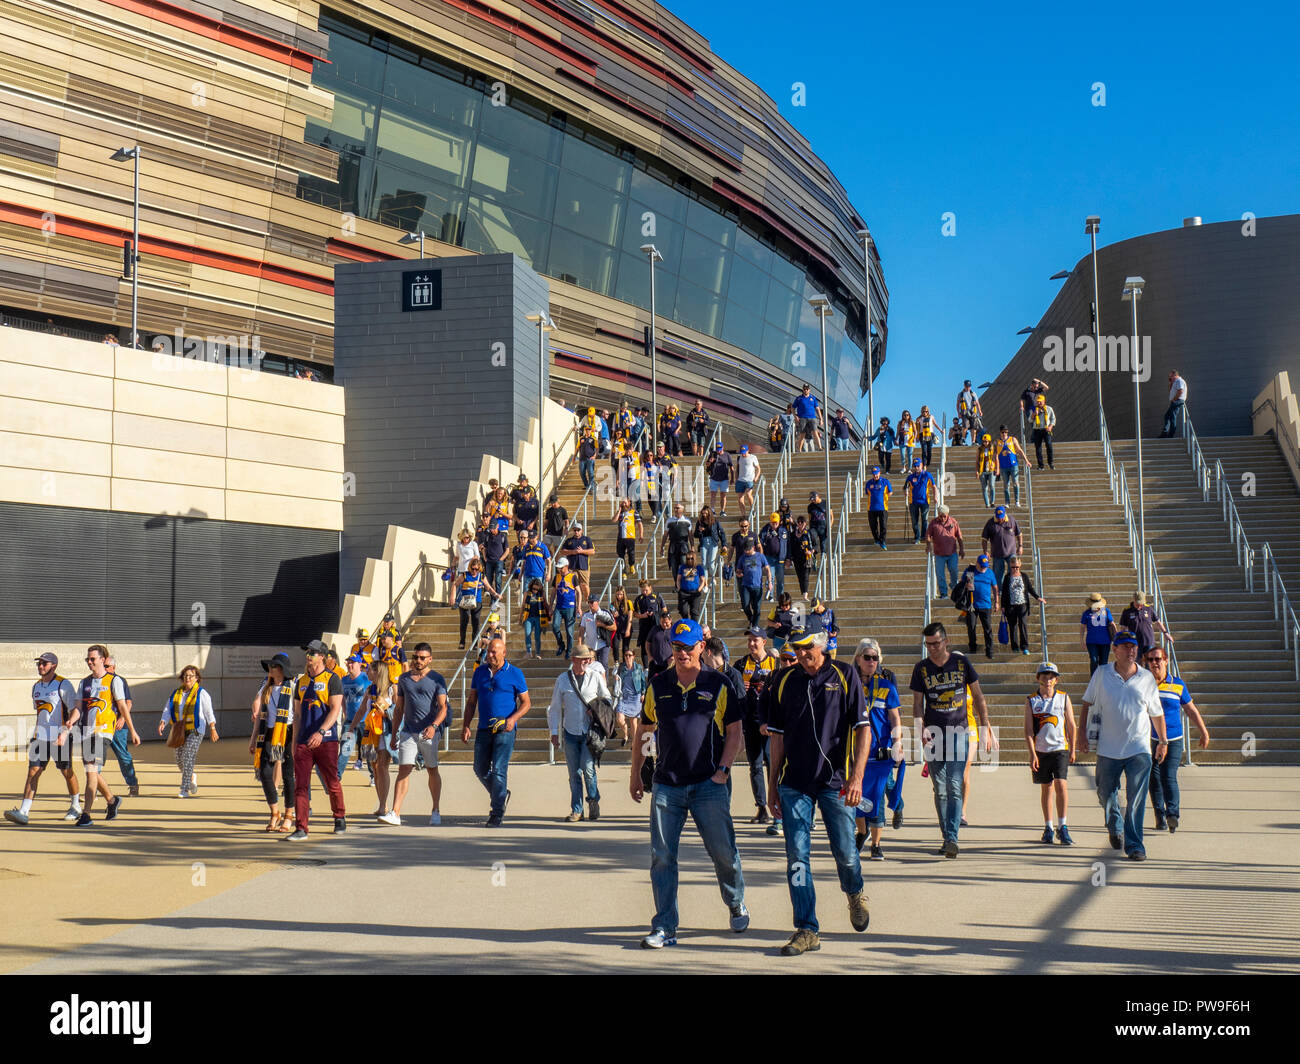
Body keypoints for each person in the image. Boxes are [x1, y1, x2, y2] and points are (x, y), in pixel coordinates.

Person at [630, 618, 748, 949]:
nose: (682, 654)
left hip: (708, 783)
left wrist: (723, 769)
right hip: (667, 785)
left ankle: (735, 900)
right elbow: (645, 730)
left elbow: (735, 730)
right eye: (676, 648)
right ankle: (665, 926)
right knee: (662, 857)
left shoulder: (719, 683)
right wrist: (637, 773)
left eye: (688, 647)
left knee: (722, 852)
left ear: (701, 647)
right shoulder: (658, 685)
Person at [764, 618, 871, 955]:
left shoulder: (844, 674)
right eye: (797, 648)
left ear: (822, 644)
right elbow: (777, 741)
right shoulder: (783, 681)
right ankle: (806, 928)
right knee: (797, 855)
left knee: (845, 852)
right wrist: (771, 787)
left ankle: (854, 892)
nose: (802, 653)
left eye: (808, 646)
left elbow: (863, 728)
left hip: (835, 782)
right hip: (794, 783)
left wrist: (857, 777)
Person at [1078, 630, 1167, 860]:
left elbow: (1156, 713)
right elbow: (1087, 704)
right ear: (1114, 650)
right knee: (1105, 792)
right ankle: (1115, 823)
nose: (1131, 650)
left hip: (1139, 748)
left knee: (1136, 797)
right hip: (1108, 748)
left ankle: (1135, 845)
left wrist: (1163, 741)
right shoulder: (1101, 673)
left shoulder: (1146, 678)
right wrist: (1081, 734)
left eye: (1134, 646)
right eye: (1125, 646)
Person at [910, 622, 996, 857]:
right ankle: (946, 834)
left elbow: (978, 696)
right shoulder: (921, 668)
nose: (933, 648)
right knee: (939, 788)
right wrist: (920, 728)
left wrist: (984, 725)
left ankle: (951, 838)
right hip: (934, 734)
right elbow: (918, 704)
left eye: (936, 643)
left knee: (955, 785)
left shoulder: (961, 663)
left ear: (946, 641)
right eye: (928, 645)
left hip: (959, 731)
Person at [461, 637, 530, 827]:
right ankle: (501, 794)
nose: (489, 654)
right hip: (484, 728)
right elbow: (471, 701)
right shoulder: (479, 672)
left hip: (505, 730)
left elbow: (526, 703)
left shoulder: (515, 673)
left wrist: (512, 719)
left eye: (494, 652)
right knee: (480, 768)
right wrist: (466, 725)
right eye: (488, 651)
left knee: (499, 770)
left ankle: (496, 812)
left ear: (504, 653)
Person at [5, 653, 80, 826]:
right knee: (33, 771)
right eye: (39, 663)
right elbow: (40, 712)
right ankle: (24, 811)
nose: (40, 666)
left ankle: (76, 806)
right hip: (40, 737)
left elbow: (74, 710)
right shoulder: (36, 687)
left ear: (54, 665)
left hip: (60, 737)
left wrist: (65, 733)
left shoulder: (63, 684)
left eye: (44, 664)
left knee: (66, 772)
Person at [1142, 647, 1210, 832]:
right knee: (1153, 779)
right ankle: (1160, 817)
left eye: (1158, 659)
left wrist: (1203, 732)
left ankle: (1172, 814)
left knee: (1168, 776)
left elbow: (1190, 710)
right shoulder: (1143, 684)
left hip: (1173, 739)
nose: (1154, 663)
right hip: (1149, 739)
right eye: (1150, 660)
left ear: (1165, 661)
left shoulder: (1177, 684)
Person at [284, 640, 346, 839]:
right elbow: (298, 715)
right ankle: (301, 828)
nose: (308, 656)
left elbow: (335, 709)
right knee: (300, 785)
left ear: (322, 656)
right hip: (303, 742)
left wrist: (320, 732)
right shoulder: (300, 682)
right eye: (307, 652)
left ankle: (339, 817)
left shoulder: (332, 679)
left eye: (312, 653)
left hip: (326, 740)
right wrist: (294, 743)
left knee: (332, 781)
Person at [382, 642, 448, 827]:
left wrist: (434, 726)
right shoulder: (404, 679)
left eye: (422, 658)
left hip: (429, 732)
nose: (418, 661)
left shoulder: (437, 679)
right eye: (415, 657)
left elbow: (443, 707)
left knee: (431, 768)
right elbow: (399, 708)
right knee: (404, 769)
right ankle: (395, 812)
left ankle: (435, 809)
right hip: (408, 732)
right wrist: (394, 733)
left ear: (430, 659)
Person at [851, 637, 902, 860]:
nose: (871, 661)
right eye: (867, 657)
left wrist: (897, 742)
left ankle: (877, 844)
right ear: (858, 659)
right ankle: (862, 831)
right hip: (856, 750)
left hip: (881, 750)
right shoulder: (850, 684)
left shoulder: (887, 685)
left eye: (875, 658)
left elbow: (895, 718)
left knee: (878, 797)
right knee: (858, 796)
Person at [548, 644, 611, 822]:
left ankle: (593, 799)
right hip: (570, 732)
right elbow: (554, 708)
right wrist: (554, 731)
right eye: (583, 659)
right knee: (574, 773)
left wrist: (597, 708)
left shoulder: (595, 677)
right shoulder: (562, 679)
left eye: (588, 659)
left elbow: (608, 698)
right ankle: (577, 810)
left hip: (589, 732)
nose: (587, 662)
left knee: (588, 769)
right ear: (574, 660)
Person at [67, 645, 126, 827]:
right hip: (87, 731)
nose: (90, 662)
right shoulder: (84, 683)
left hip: (104, 731)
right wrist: (71, 721)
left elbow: (124, 706)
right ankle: (111, 800)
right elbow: (79, 707)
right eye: (88, 659)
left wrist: (131, 728)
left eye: (93, 659)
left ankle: (86, 814)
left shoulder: (114, 681)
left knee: (91, 772)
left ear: (103, 659)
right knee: (91, 771)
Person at [1023, 661, 1076, 845]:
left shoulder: (1063, 697)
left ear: (1056, 680)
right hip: (1041, 750)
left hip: (1060, 748)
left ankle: (1063, 826)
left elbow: (1071, 724)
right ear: (1038, 679)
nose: (1048, 680)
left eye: (1051, 677)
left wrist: (1073, 747)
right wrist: (1032, 754)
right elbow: (1028, 730)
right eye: (1044, 676)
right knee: (1046, 788)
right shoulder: (1032, 700)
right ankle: (1048, 827)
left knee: (1061, 785)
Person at [735, 628, 779, 824]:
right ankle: (761, 807)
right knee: (754, 766)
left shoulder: (775, 662)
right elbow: (732, 689)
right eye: (750, 640)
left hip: (770, 722)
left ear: (764, 642)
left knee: (772, 763)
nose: (752, 644)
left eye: (755, 640)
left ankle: (775, 803)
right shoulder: (741, 664)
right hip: (750, 722)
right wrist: (739, 687)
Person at [251, 652, 297, 833]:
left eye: (274, 666)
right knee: (264, 772)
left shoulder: (292, 687)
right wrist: (253, 738)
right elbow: (260, 715)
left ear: (282, 670)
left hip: (288, 731)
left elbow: (298, 714)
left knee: (287, 774)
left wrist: (297, 738)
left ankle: (288, 815)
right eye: (269, 666)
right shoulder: (266, 687)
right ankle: (274, 812)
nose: (270, 669)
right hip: (269, 733)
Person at [157, 665, 218, 798]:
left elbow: (208, 712)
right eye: (185, 675)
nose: (188, 678)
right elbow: (168, 709)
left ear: (197, 678)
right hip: (179, 730)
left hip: (196, 729)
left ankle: (184, 789)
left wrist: (212, 728)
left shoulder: (201, 693)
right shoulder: (176, 693)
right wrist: (163, 722)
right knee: (179, 760)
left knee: (188, 757)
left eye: (191, 675)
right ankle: (191, 776)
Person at [102, 654, 142, 798]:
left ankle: (133, 785)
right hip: (101, 727)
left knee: (123, 756)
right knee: (96, 760)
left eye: (106, 666)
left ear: (113, 667)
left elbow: (128, 702)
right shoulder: (96, 681)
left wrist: (122, 719)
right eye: (103, 665)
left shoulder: (119, 680)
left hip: (118, 728)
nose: (104, 668)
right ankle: (93, 788)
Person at [1001, 556, 1046, 655]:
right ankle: (1015, 647)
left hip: (1023, 604)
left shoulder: (1024, 576)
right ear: (1010, 566)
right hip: (1010, 605)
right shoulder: (1007, 577)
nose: (1015, 569)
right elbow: (1004, 592)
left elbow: (1030, 588)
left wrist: (1038, 597)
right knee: (1013, 626)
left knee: (1023, 624)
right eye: (1013, 567)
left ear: (1020, 565)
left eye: (1017, 567)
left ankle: (1025, 646)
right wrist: (1003, 606)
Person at [959, 554, 999, 659]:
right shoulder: (970, 572)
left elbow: (995, 587)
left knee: (988, 629)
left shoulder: (990, 572)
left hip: (986, 605)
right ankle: (972, 647)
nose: (983, 568)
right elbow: (961, 584)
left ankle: (989, 650)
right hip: (972, 605)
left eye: (985, 566)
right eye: (981, 566)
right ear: (977, 563)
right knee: (971, 627)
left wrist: (997, 602)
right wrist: (967, 585)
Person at [455, 557, 499, 650]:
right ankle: (462, 642)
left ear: (479, 568)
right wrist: (452, 597)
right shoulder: (464, 575)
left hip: (477, 601)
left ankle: (475, 644)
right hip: (465, 600)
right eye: (473, 568)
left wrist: (495, 594)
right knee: (464, 620)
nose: (474, 571)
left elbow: (488, 587)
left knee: (476, 621)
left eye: (476, 569)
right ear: (470, 567)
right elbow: (455, 584)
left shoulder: (481, 576)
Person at [925, 504, 964, 600]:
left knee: (954, 570)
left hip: (952, 553)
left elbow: (959, 536)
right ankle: (944, 593)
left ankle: (954, 587)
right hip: (939, 554)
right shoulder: (933, 523)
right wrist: (928, 546)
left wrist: (962, 549)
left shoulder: (953, 522)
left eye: (944, 516)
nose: (942, 518)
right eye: (940, 516)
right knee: (940, 574)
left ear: (948, 514)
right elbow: (928, 535)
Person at [1120, 590, 1174, 659]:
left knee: (1150, 664)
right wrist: (1124, 640)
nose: (1140, 606)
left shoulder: (1148, 609)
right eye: (1138, 604)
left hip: (1148, 641)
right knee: (1137, 665)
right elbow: (1123, 627)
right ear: (1134, 600)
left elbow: (1158, 622)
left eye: (1141, 604)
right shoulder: (1127, 611)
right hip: (1135, 642)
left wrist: (1165, 633)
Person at [981, 505, 1023, 587]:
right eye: (998, 517)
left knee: (1013, 572)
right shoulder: (990, 523)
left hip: (1011, 552)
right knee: (998, 575)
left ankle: (1011, 590)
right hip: (997, 553)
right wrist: (985, 551)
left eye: (1002, 517)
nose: (1000, 519)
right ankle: (999, 593)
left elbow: (1019, 534)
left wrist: (1020, 546)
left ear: (1005, 514)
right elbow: (984, 539)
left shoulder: (1012, 520)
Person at [615, 646, 647, 745]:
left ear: (634, 656)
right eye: (626, 655)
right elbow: (617, 680)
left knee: (634, 722)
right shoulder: (621, 667)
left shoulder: (638, 668)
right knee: (619, 719)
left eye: (630, 655)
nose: (628, 657)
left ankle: (634, 743)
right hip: (624, 696)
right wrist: (616, 677)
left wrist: (643, 693)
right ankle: (625, 734)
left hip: (635, 696)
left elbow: (643, 682)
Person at [1080, 592, 1118, 674]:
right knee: (1094, 660)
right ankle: (1094, 679)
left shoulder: (1106, 611)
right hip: (1091, 641)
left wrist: (1116, 638)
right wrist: (1081, 640)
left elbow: (1112, 624)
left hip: (1105, 641)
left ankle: (1102, 681)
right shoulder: (1086, 613)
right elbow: (1082, 627)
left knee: (1103, 663)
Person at [736, 542, 772, 626]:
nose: (747, 552)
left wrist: (769, 581)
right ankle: (751, 618)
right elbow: (738, 570)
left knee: (757, 608)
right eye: (745, 550)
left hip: (757, 585)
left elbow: (767, 569)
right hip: (746, 585)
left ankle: (755, 626)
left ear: (753, 548)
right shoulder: (743, 557)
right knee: (745, 605)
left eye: (748, 549)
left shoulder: (760, 556)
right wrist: (739, 574)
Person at [551, 557, 580, 658]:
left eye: (561, 567)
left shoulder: (573, 577)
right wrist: (551, 606)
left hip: (570, 607)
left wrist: (579, 607)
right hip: (559, 606)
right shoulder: (557, 577)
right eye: (559, 568)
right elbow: (553, 593)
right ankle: (561, 645)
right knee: (555, 626)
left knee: (569, 631)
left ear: (566, 566)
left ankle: (569, 649)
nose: (560, 569)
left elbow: (579, 592)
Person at [634, 578, 666, 667]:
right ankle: (646, 667)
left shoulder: (657, 596)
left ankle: (659, 663)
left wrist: (656, 614)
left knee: (657, 644)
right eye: (642, 590)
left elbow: (665, 610)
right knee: (644, 646)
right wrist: (643, 615)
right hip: (644, 625)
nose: (644, 592)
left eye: (646, 590)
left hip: (656, 624)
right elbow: (635, 613)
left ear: (650, 587)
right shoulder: (638, 599)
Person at [903, 460, 936, 545]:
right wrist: (905, 491)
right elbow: (905, 487)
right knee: (914, 521)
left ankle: (924, 536)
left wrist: (935, 497)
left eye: (918, 466)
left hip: (925, 501)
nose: (916, 468)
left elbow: (934, 486)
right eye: (915, 466)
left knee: (924, 519)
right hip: (913, 502)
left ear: (921, 465)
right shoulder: (910, 477)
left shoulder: (927, 475)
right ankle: (917, 537)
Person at [579, 595, 616, 667]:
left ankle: (605, 678)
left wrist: (602, 625)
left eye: (592, 602)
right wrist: (580, 643)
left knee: (603, 665)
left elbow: (614, 627)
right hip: (590, 645)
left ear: (598, 602)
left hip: (603, 644)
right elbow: (581, 630)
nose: (590, 604)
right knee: (589, 666)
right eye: (589, 602)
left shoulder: (605, 613)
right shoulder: (586, 615)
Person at [560, 522, 595, 599]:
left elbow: (592, 551)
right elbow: (562, 551)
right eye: (575, 530)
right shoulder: (569, 540)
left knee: (585, 585)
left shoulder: (587, 539)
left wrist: (581, 551)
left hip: (584, 566)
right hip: (572, 567)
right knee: (573, 586)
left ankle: (587, 601)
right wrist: (572, 552)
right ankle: (574, 603)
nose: (576, 531)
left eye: (578, 530)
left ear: (581, 530)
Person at [996, 425, 1028, 507]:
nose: (1004, 434)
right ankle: (1007, 502)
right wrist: (996, 467)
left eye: (1006, 432)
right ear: (1000, 432)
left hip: (1013, 465)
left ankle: (1017, 501)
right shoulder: (997, 442)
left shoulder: (1012, 439)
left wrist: (1026, 461)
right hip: (1003, 466)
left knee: (1015, 483)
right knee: (1006, 485)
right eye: (1003, 432)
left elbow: (1019, 450)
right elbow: (994, 456)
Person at [520, 577, 550, 660]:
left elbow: (545, 604)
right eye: (533, 588)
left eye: (537, 589)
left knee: (537, 636)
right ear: (531, 586)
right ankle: (528, 652)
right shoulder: (526, 593)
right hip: (528, 617)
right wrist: (520, 617)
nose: (535, 590)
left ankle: (537, 653)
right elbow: (523, 605)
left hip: (539, 617)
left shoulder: (541, 593)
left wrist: (550, 612)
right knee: (527, 634)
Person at [662, 501, 692, 579]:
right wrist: (662, 546)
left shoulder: (687, 521)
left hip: (684, 545)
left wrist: (692, 546)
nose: (676, 509)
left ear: (682, 509)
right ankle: (677, 585)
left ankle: (687, 584)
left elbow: (690, 534)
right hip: (673, 546)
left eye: (678, 508)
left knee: (685, 564)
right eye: (675, 508)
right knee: (674, 566)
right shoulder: (669, 521)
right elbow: (665, 535)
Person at [791, 516, 819, 600]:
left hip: (807, 558)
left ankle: (805, 594)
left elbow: (816, 545)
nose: (800, 524)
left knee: (805, 576)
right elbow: (790, 546)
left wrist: (811, 551)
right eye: (798, 522)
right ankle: (803, 592)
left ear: (805, 523)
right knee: (800, 577)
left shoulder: (809, 533)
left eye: (802, 522)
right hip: (796, 559)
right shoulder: (793, 534)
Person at [675, 549, 708, 621]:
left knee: (694, 613)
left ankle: (694, 627)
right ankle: (686, 623)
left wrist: (699, 590)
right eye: (688, 558)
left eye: (691, 558)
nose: (690, 560)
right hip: (684, 592)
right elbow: (678, 579)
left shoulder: (698, 568)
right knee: (684, 611)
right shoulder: (682, 567)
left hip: (695, 592)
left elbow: (703, 580)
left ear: (695, 558)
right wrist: (679, 588)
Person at [865, 465, 892, 550]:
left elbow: (890, 492)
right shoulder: (869, 483)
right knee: (873, 525)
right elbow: (867, 493)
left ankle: (882, 541)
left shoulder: (885, 481)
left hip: (883, 507)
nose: (875, 476)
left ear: (879, 473)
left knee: (883, 525)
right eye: (874, 474)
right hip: (871, 508)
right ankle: (876, 539)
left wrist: (886, 497)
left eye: (876, 474)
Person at [613, 497, 643, 571]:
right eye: (622, 502)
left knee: (631, 553)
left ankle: (631, 565)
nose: (624, 504)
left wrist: (641, 535)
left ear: (629, 503)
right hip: (621, 537)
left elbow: (640, 524)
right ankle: (623, 571)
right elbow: (614, 520)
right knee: (620, 555)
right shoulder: (620, 513)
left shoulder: (634, 512)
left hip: (630, 537)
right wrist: (619, 510)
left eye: (625, 502)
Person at [694, 505, 724, 577]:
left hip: (713, 543)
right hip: (703, 542)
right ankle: (705, 583)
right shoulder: (699, 522)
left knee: (711, 563)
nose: (704, 515)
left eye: (705, 513)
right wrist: (699, 531)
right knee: (704, 563)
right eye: (703, 513)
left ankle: (713, 578)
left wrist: (724, 544)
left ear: (709, 513)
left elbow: (721, 533)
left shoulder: (715, 521)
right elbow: (695, 534)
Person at [1029, 393, 1056, 470]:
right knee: (1038, 448)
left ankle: (1050, 462)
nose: (1039, 403)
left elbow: (1053, 419)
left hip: (1046, 429)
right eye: (1038, 401)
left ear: (1044, 401)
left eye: (1040, 401)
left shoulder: (1049, 409)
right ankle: (1041, 465)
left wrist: (1050, 426)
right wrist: (1034, 414)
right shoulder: (1033, 409)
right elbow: (1030, 420)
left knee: (1049, 446)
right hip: (1037, 430)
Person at [646, 608, 676, 676]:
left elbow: (679, 646)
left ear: (670, 620)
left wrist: (674, 657)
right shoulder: (654, 629)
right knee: (652, 684)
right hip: (655, 663)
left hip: (669, 664)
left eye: (666, 623)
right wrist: (649, 656)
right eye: (662, 622)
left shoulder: (674, 631)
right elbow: (647, 643)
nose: (664, 624)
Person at [706, 442, 733, 517]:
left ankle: (722, 511)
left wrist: (732, 478)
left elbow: (731, 467)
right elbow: (707, 464)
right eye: (718, 449)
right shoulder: (712, 454)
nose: (719, 451)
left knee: (723, 495)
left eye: (720, 449)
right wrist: (710, 462)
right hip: (714, 478)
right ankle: (713, 510)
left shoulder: (727, 455)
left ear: (723, 448)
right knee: (713, 494)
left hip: (724, 478)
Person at [793, 383, 821, 451]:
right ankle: (799, 450)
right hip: (802, 418)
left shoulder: (813, 398)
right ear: (803, 390)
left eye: (807, 389)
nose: (806, 390)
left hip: (812, 417)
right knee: (802, 434)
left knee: (815, 432)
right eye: (804, 389)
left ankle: (820, 448)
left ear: (809, 390)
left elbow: (817, 408)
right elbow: (793, 408)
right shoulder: (799, 398)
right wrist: (795, 416)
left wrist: (821, 418)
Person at [1161, 370, 1188, 438]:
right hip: (1176, 400)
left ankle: (1169, 434)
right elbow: (1170, 391)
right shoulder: (1175, 382)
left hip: (1178, 400)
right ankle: (1166, 432)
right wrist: (1170, 383)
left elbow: (1180, 391)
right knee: (1168, 416)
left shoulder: (1179, 381)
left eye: (1171, 376)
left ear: (1175, 375)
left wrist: (1174, 399)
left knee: (1172, 417)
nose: (1170, 378)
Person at [735, 446, 761, 515]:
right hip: (740, 480)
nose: (743, 454)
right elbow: (737, 468)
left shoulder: (753, 457)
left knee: (749, 494)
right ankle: (743, 514)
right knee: (740, 497)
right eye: (742, 453)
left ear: (748, 451)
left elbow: (758, 468)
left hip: (749, 480)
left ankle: (753, 509)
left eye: (744, 452)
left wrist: (756, 477)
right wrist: (736, 478)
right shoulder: (739, 457)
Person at [975, 431, 998, 508]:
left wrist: (997, 468)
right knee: (984, 488)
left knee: (992, 485)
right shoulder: (980, 449)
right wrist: (977, 471)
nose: (985, 443)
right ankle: (987, 504)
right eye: (984, 441)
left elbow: (996, 458)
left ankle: (992, 502)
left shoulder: (993, 448)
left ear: (989, 441)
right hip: (982, 470)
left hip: (991, 469)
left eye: (987, 441)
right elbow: (977, 461)